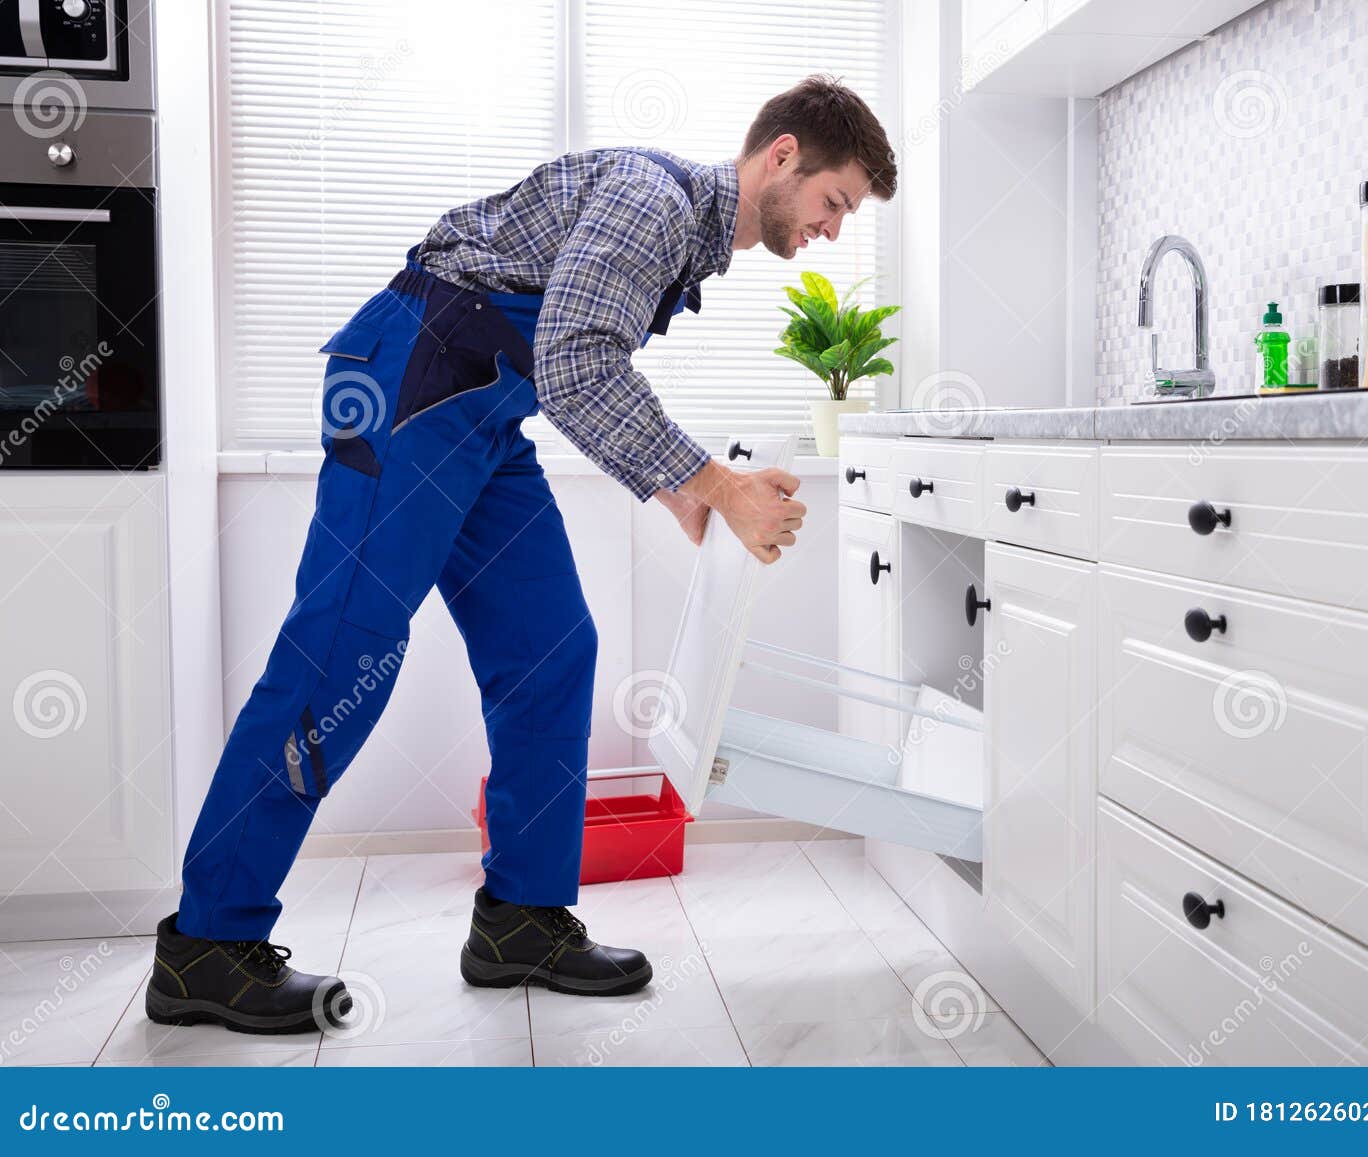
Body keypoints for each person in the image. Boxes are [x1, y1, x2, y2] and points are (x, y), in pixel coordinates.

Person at [144, 76, 898, 1033]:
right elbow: (578, 362)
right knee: (341, 653)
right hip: (414, 381)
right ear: (783, 157)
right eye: (836, 202)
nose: (833, 228)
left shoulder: (682, 232)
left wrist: (678, 493)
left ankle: (520, 923)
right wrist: (712, 482)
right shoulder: (655, 200)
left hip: (483, 411)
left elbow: (571, 364)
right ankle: (207, 944)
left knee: (551, 649)